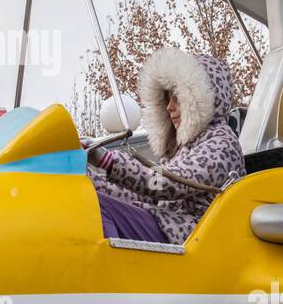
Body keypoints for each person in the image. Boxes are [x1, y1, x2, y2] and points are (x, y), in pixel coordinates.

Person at [88, 48, 246, 244]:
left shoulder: (221, 144)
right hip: (172, 231)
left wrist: (109, 161)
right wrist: (87, 179)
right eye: (167, 98)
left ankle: (106, 270)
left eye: (177, 98)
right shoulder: (181, 148)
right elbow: (143, 196)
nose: (169, 107)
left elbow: (167, 184)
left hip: (194, 241)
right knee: (88, 199)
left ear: (199, 99)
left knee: (97, 208)